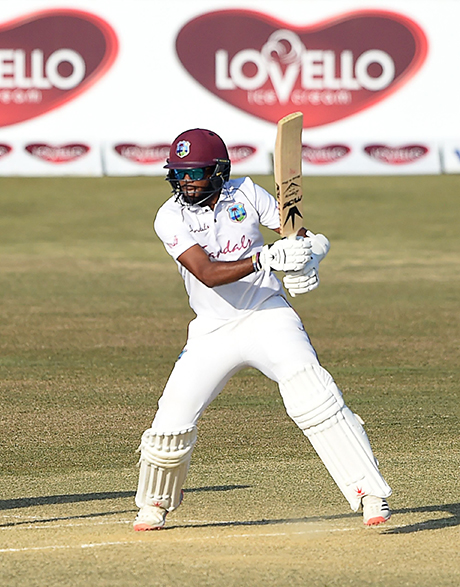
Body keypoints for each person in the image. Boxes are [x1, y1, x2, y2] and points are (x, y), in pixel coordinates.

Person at [133, 128, 392, 531]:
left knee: (315, 395)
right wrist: (265, 258)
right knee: (171, 420)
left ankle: (369, 493)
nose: (186, 182)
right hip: (213, 329)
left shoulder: (248, 193)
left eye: (195, 173)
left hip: (268, 314)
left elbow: (296, 235)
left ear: (219, 171)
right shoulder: (170, 216)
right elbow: (207, 274)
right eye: (179, 173)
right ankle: (156, 502)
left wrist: (309, 256)